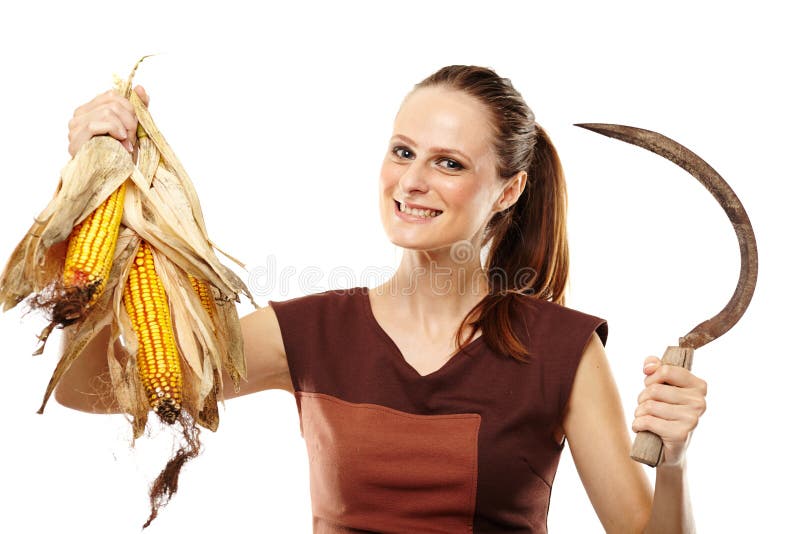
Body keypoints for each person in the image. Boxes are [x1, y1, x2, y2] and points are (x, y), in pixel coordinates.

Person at [57, 65, 707, 533]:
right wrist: (92, 200)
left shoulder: (563, 352)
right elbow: (90, 389)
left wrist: (672, 462)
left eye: (449, 163)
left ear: (508, 191)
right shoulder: (308, 333)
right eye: (403, 151)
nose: (413, 181)